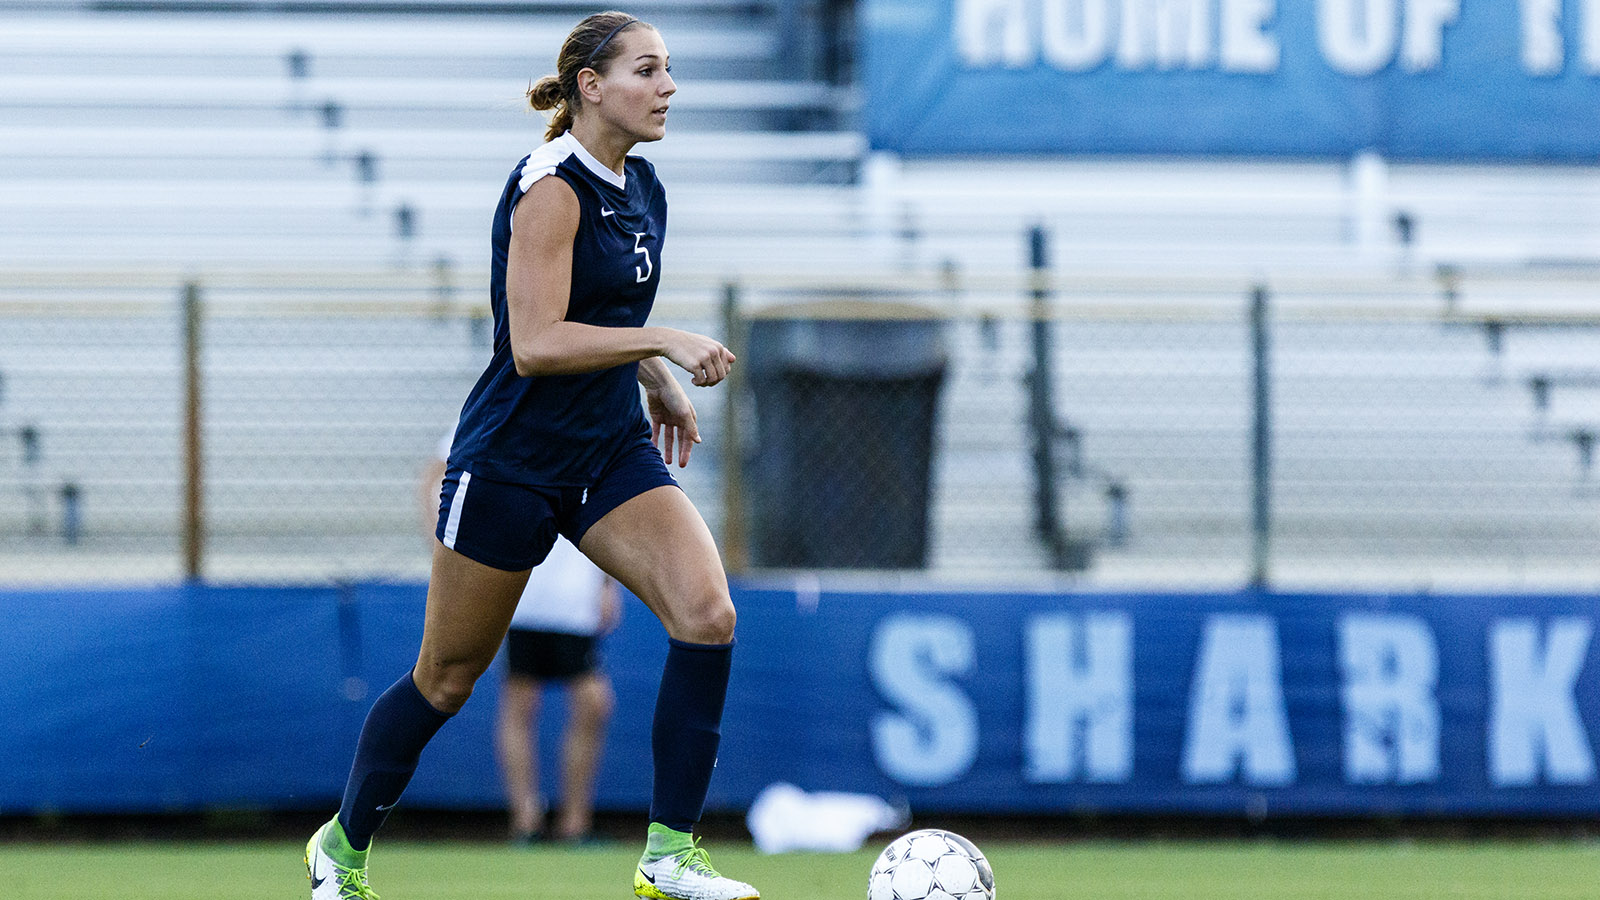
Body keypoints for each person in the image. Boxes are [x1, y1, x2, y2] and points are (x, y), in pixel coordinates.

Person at [305, 11, 758, 900]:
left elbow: (608, 320)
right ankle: (341, 847)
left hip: (607, 451)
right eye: (648, 70)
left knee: (707, 615)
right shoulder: (548, 186)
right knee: (447, 677)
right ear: (591, 86)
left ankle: (667, 856)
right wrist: (663, 343)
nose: (668, 87)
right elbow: (536, 346)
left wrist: (650, 379)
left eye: (669, 70)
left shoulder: (646, 186)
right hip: (511, 458)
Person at [422, 432, 620, 846]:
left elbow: (611, 500)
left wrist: (607, 582)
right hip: (521, 587)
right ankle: (526, 820)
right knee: (521, 700)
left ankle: (574, 823)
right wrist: (447, 549)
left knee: (592, 703)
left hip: (573, 594)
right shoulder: (501, 410)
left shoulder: (594, 416)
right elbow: (436, 473)